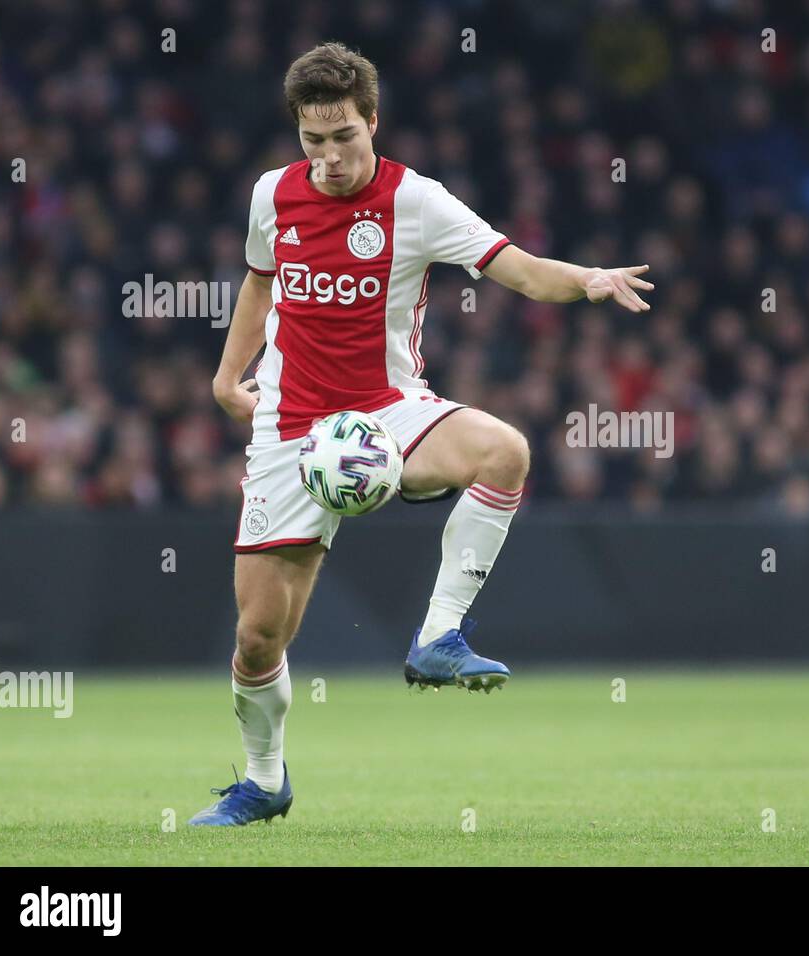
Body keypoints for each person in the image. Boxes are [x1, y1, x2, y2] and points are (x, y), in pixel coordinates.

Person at [192, 42, 653, 826]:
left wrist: (588, 281)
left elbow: (521, 269)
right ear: (297, 135)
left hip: (389, 408)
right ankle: (265, 781)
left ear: (374, 121)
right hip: (290, 429)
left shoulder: (418, 202)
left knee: (504, 449)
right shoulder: (272, 195)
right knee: (258, 640)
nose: (331, 157)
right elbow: (260, 280)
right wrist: (226, 377)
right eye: (314, 140)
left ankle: (438, 634)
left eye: (345, 137)